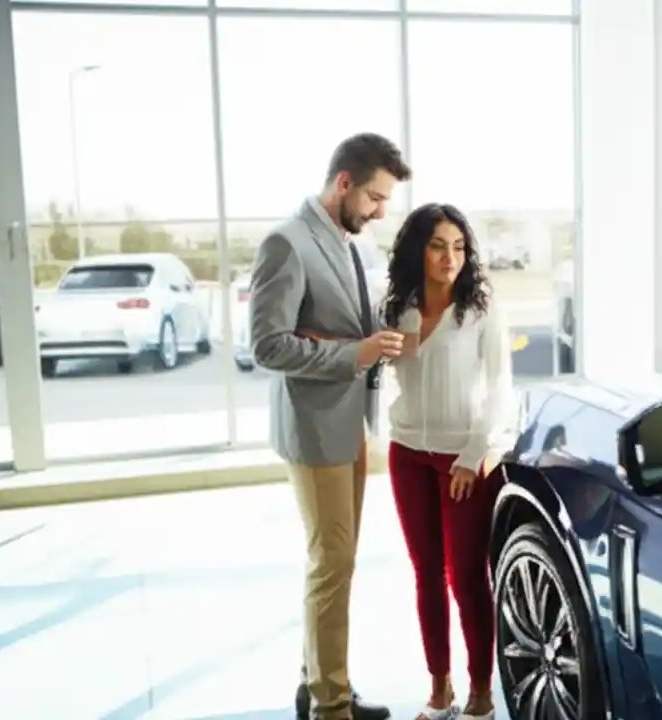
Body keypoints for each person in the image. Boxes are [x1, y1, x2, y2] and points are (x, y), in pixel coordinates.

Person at [248, 132, 410, 720]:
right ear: (344, 183)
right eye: (374, 196)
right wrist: (352, 355)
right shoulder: (287, 243)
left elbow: (342, 328)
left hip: (348, 425)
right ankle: (331, 708)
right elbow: (267, 346)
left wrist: (376, 339)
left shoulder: (344, 242)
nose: (380, 210)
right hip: (314, 430)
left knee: (336, 561)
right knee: (332, 562)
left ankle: (315, 684)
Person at [381, 202, 513, 720]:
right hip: (407, 453)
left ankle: (482, 692)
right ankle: (440, 690)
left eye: (458, 246)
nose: (449, 257)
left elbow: (501, 388)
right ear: (419, 249)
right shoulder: (399, 307)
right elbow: (383, 371)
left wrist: (474, 454)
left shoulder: (479, 310)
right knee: (426, 574)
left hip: (465, 459)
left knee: (466, 574)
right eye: (438, 245)